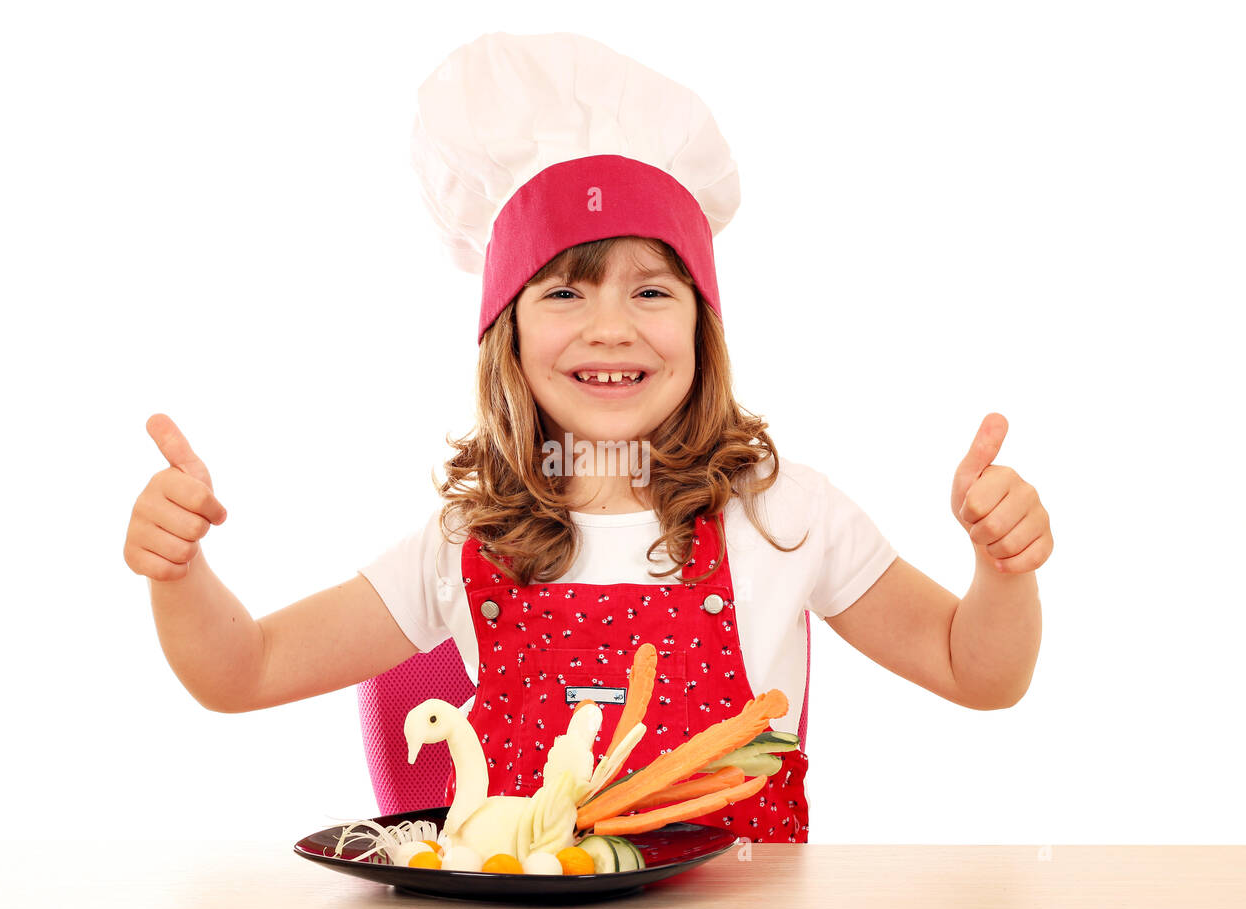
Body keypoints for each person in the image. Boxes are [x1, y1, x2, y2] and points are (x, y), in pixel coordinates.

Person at [123, 33, 1052, 844]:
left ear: (701, 327)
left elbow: (979, 670)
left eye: (651, 289)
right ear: (508, 335)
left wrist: (1002, 566)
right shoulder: (465, 542)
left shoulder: (785, 515)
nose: (611, 327)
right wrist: (179, 572)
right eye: (565, 290)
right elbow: (245, 668)